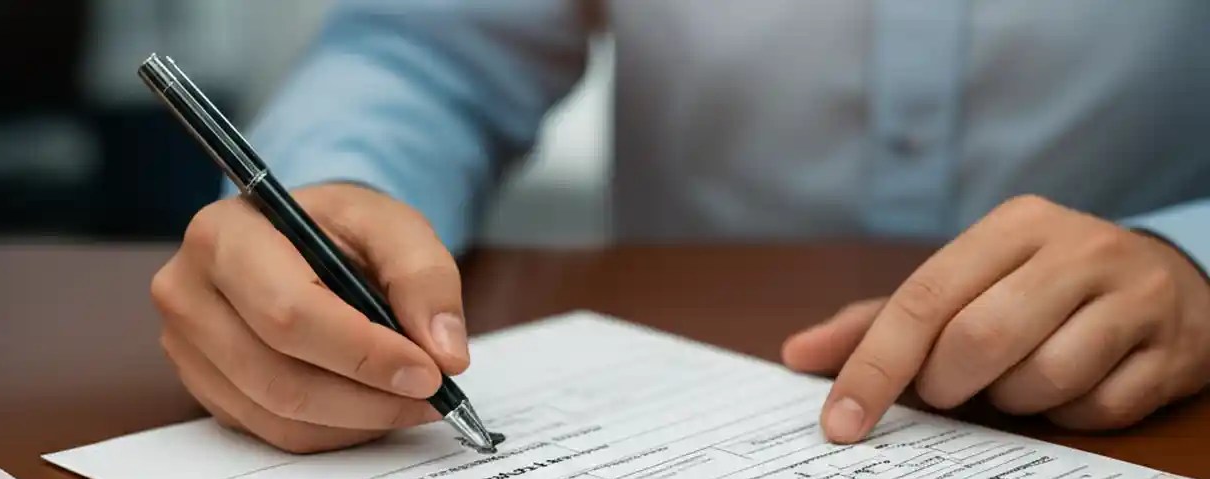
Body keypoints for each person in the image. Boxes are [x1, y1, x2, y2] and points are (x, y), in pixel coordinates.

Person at [151, 0, 1210, 453]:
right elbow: (431, 51)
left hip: (1148, 406)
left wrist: (1191, 261)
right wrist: (336, 195)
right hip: (687, 372)